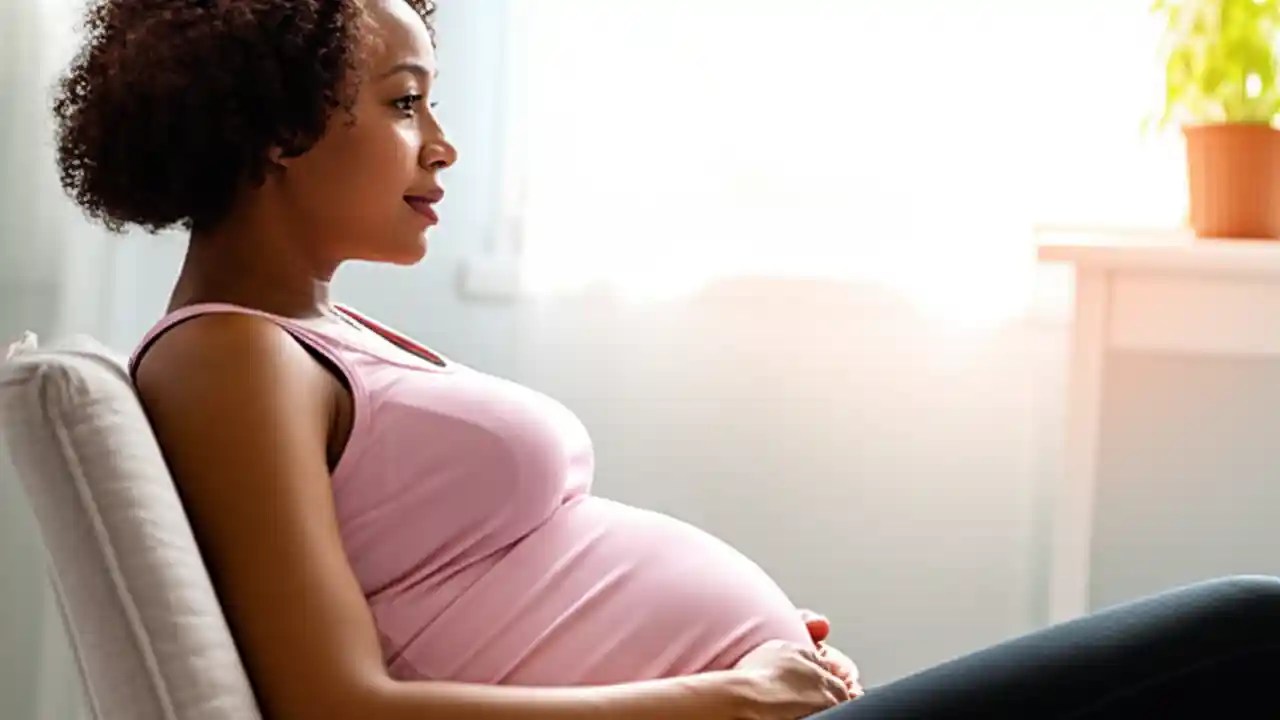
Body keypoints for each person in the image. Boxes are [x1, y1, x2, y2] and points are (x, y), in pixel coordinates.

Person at [52, 1, 1280, 718]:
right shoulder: (230, 358)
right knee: (1242, 629)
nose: (444, 146)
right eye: (404, 102)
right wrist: (714, 697)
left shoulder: (316, 333)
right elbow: (335, 704)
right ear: (273, 125)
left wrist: (732, 653)